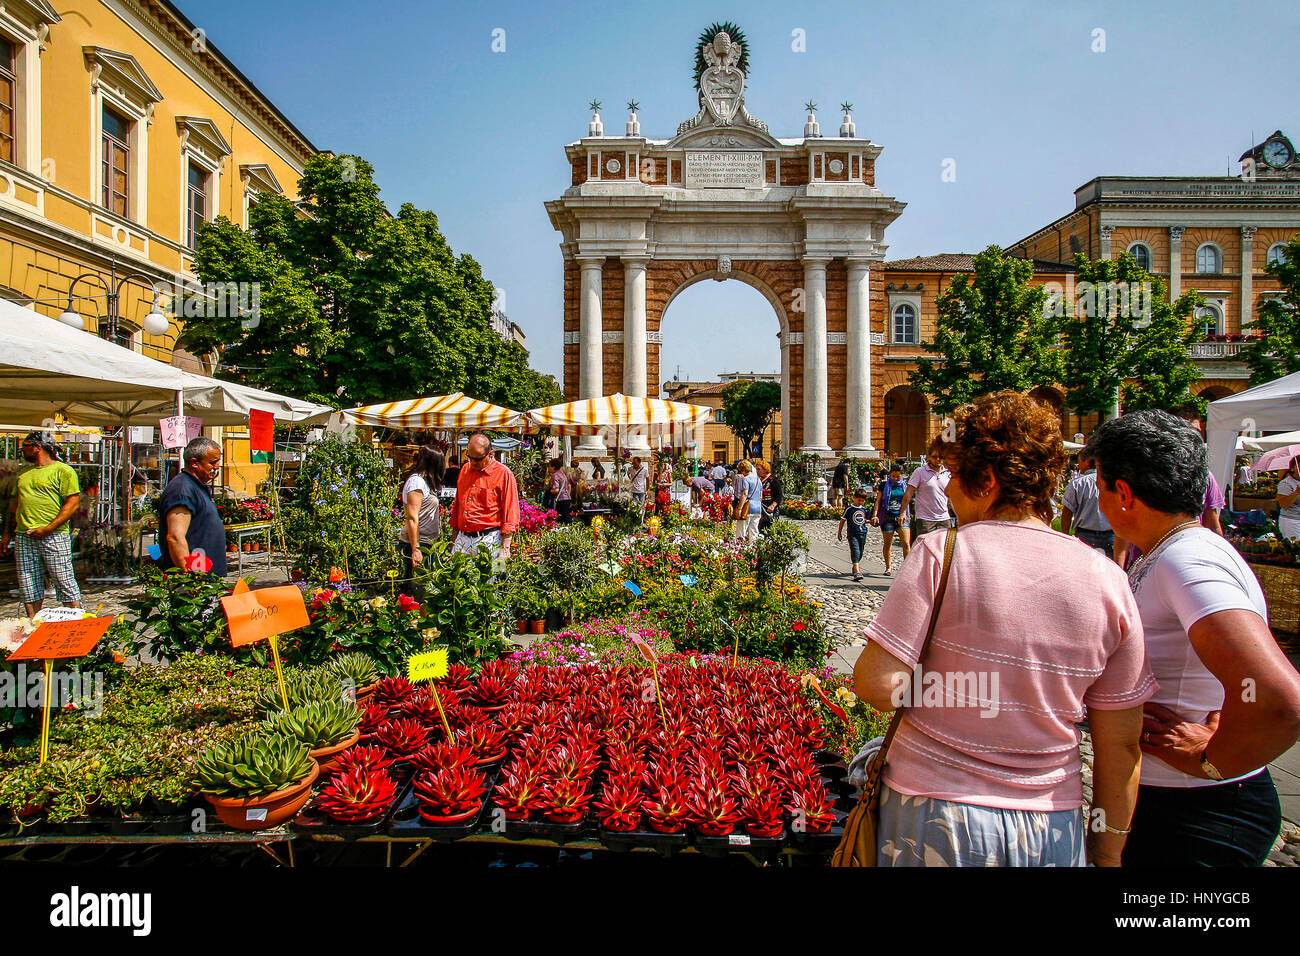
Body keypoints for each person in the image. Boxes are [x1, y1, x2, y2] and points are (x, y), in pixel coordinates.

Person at [853, 391, 1154, 867]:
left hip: (934, 808)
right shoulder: (1108, 579)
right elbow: (1120, 740)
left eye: (955, 475)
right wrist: (1109, 844)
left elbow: (877, 683)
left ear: (987, 480)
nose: (947, 489)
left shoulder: (941, 555)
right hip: (1051, 822)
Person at [1084, 410, 1300, 867]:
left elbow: (1280, 697)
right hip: (1183, 802)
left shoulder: (1188, 560)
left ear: (1122, 492)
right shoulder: (1174, 550)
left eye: (1098, 481)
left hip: (1196, 812)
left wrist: (1212, 760)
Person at [0, 431, 82, 617]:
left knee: (63, 579)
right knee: (28, 583)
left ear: (37, 448)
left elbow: (72, 503)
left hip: (54, 535)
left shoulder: (63, 471)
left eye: (25, 446)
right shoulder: (23, 473)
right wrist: (7, 534)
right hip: (24, 535)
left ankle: (76, 621)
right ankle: (33, 623)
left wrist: (49, 527)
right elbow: (15, 506)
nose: (22, 450)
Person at [155, 436, 227, 578]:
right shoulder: (182, 490)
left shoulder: (197, 486)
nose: (217, 467)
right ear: (195, 463)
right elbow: (175, 537)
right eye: (212, 463)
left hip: (207, 578)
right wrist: (188, 579)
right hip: (195, 582)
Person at [449, 433, 519, 560]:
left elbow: (510, 512)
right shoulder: (465, 470)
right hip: (463, 538)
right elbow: (458, 506)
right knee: (455, 578)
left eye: (478, 459)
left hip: (489, 538)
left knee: (491, 579)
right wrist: (453, 542)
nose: (473, 462)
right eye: (470, 457)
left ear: (490, 454)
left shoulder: (503, 473)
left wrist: (505, 547)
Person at [398, 446, 444, 596]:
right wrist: (416, 549)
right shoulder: (416, 483)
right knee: (416, 592)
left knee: (423, 590)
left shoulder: (424, 482)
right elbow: (412, 518)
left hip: (427, 544)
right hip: (417, 544)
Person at [1061, 454, 1117, 561]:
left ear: (1087, 463)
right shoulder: (1111, 482)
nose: (1078, 465)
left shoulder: (1077, 483)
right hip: (1110, 534)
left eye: (1080, 462)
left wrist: (1065, 535)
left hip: (1085, 535)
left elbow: (1067, 512)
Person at [899, 444, 952, 540]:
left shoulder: (948, 473)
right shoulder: (920, 472)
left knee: (944, 550)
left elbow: (951, 497)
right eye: (934, 457)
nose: (938, 459)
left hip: (944, 518)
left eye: (941, 457)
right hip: (925, 519)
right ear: (929, 457)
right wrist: (903, 512)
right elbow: (909, 493)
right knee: (925, 549)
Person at [871, 463, 910, 574]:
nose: (895, 478)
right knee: (888, 543)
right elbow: (878, 501)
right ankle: (888, 567)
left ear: (902, 475)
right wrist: (875, 514)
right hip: (888, 517)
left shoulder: (905, 485)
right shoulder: (884, 485)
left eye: (898, 476)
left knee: (906, 543)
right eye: (893, 476)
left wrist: (905, 514)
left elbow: (907, 500)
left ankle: (907, 568)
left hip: (902, 517)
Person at [837, 486, 871, 581]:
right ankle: (856, 570)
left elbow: (864, 520)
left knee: (860, 551)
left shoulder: (864, 509)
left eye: (862, 501)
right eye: (859, 500)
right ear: (854, 498)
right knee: (855, 550)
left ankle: (855, 564)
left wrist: (870, 521)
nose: (860, 502)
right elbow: (842, 520)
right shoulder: (849, 509)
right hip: (852, 533)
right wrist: (839, 532)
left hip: (862, 532)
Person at [732, 459, 761, 541]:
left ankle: (739, 549)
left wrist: (739, 508)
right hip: (758, 509)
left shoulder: (746, 479)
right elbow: (761, 496)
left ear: (743, 470)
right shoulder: (758, 480)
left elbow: (745, 494)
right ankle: (753, 549)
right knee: (754, 531)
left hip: (747, 508)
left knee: (741, 530)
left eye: (741, 471)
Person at [1276, 456, 1300, 540]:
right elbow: (1283, 504)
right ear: (1292, 468)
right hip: (1292, 521)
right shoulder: (1286, 483)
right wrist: (1296, 492)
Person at [755, 458, 783, 530]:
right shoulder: (758, 479)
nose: (757, 471)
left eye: (759, 469)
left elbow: (779, 494)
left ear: (765, 469)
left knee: (769, 527)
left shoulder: (772, 480)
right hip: (760, 507)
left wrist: (773, 505)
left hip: (769, 508)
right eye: (756, 469)